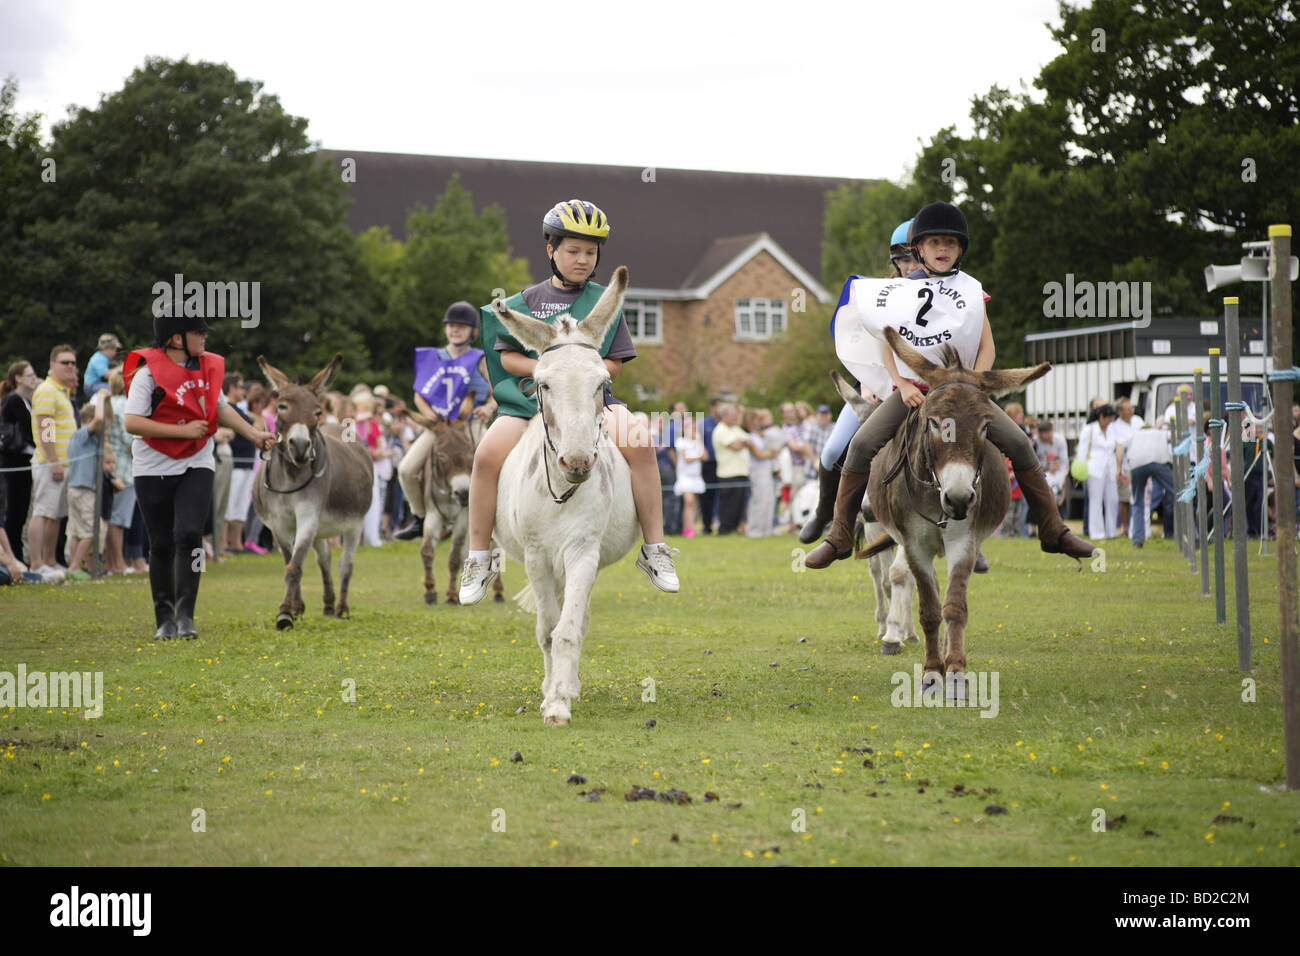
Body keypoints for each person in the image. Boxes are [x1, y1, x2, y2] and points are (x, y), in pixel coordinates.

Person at [806, 202, 1095, 567]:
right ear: (920, 249)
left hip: (963, 392)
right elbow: (886, 342)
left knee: (1020, 442)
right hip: (915, 390)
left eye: (950, 243)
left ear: (960, 249)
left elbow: (986, 343)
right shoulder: (898, 292)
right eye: (935, 242)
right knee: (861, 444)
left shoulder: (972, 291)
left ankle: (1053, 529)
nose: (943, 249)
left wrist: (975, 384)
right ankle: (840, 535)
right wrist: (901, 384)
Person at [458, 199, 679, 603]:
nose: (582, 259)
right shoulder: (525, 301)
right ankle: (479, 556)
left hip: (594, 402)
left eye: (590, 252)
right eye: (573, 250)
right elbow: (506, 356)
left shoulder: (603, 303)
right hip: (530, 403)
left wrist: (583, 373)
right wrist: (550, 371)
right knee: (486, 457)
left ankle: (655, 549)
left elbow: (615, 363)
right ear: (551, 250)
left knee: (641, 444)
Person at [123, 313, 274, 639]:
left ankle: (186, 614)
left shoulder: (205, 370)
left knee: (190, 535)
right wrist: (181, 432)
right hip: (152, 466)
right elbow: (132, 422)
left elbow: (221, 409)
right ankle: (164, 618)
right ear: (177, 338)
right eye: (198, 333)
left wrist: (254, 435)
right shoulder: (147, 375)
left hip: (197, 461)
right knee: (161, 542)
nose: (204, 338)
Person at [395, 301, 497, 540]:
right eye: (451, 326)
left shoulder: (480, 358)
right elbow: (418, 394)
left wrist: (490, 406)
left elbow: (497, 389)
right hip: (439, 426)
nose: (455, 330)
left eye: (462, 326)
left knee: (496, 464)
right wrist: (426, 412)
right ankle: (419, 517)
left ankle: (495, 516)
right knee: (406, 469)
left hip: (469, 423)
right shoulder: (434, 357)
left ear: (472, 331)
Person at [28, 344, 80, 575]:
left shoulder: (61, 390)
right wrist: (53, 461)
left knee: (56, 514)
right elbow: (45, 428)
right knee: (43, 512)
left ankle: (49, 561)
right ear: (52, 365)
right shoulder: (48, 390)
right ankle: (37, 563)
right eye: (65, 362)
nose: (70, 367)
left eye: (73, 363)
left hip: (63, 463)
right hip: (51, 463)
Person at [64, 396, 110, 579]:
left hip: (75, 489)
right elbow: (98, 419)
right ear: (90, 421)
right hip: (83, 491)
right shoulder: (82, 434)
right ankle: (75, 566)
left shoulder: (79, 437)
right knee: (92, 531)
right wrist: (102, 396)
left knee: (76, 532)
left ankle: (76, 568)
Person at [1, 361, 40, 563]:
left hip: (25, 461)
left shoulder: (27, 401)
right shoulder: (15, 400)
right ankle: (15, 557)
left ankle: (19, 556)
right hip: (15, 462)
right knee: (16, 511)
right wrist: (46, 447)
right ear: (18, 378)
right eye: (30, 375)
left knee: (23, 511)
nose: (34, 379)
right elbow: (31, 430)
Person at [712, 403, 763, 535]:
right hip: (728, 474)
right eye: (732, 415)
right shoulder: (720, 430)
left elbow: (748, 440)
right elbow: (736, 446)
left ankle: (734, 528)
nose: (735, 417)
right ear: (724, 417)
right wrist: (744, 442)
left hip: (741, 472)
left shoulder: (736, 429)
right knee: (728, 505)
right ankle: (724, 530)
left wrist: (744, 442)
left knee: (739, 504)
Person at [1075, 403, 1123, 540]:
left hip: (1110, 467)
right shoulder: (1089, 429)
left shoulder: (1113, 429)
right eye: (1109, 418)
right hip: (1094, 468)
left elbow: (1118, 445)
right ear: (1101, 417)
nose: (1110, 421)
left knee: (1112, 499)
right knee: (1095, 501)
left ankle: (1111, 531)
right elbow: (1082, 451)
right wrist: (1080, 471)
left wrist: (1119, 468)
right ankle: (1097, 533)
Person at [1127, 421, 1174, 547]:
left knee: (1138, 501)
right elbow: (1175, 437)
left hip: (1137, 463)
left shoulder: (1134, 435)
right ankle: (1194, 534)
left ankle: (1137, 540)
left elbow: (1122, 447)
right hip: (1158, 460)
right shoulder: (1160, 433)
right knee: (1178, 493)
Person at [745, 408, 784, 537]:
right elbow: (760, 455)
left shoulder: (760, 435)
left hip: (767, 468)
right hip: (757, 470)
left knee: (769, 500)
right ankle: (754, 529)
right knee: (759, 500)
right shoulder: (750, 437)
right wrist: (770, 453)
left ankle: (765, 529)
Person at [673, 413, 706, 537]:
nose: (694, 431)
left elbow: (705, 455)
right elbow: (686, 458)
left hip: (695, 476)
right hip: (684, 476)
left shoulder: (697, 442)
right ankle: (687, 529)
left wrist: (699, 441)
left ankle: (690, 528)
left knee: (693, 504)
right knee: (689, 501)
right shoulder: (680, 442)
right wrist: (699, 456)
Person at [1242, 422, 1273, 539]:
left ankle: (1261, 530)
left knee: (1260, 503)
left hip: (1261, 476)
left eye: (1260, 427)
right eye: (1256, 427)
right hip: (1249, 476)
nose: (1258, 429)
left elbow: (1272, 458)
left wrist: (1271, 475)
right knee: (1249, 503)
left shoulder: (1266, 442)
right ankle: (1251, 530)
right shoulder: (1247, 442)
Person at [698, 396, 723, 534]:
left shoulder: (724, 423)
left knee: (723, 495)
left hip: (723, 464)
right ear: (712, 407)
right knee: (707, 496)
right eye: (719, 406)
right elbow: (699, 441)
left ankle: (721, 524)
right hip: (708, 464)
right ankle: (706, 526)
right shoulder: (703, 423)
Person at [83, 333, 120, 398]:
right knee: (115, 389)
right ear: (106, 348)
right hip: (91, 386)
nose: (115, 352)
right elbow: (107, 375)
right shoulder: (99, 358)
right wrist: (121, 368)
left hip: (96, 384)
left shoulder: (103, 358)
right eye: (114, 349)